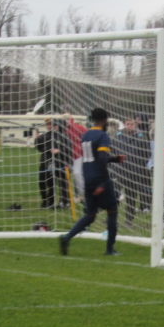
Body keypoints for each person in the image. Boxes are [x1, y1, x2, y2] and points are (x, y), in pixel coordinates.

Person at [59, 108, 125, 256]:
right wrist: (102, 183)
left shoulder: (86, 135)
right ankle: (109, 249)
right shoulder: (102, 136)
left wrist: (114, 159)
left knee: (90, 215)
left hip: (87, 177)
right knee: (112, 211)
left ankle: (66, 237)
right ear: (105, 120)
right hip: (100, 179)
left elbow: (94, 158)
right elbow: (101, 159)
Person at [114, 116, 150, 225]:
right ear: (124, 124)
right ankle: (111, 218)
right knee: (114, 195)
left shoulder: (141, 137)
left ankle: (129, 220)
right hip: (119, 170)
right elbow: (113, 150)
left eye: (132, 124)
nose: (130, 126)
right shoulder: (118, 136)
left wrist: (139, 166)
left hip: (134, 171)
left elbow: (146, 153)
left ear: (135, 125)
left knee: (131, 197)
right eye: (128, 124)